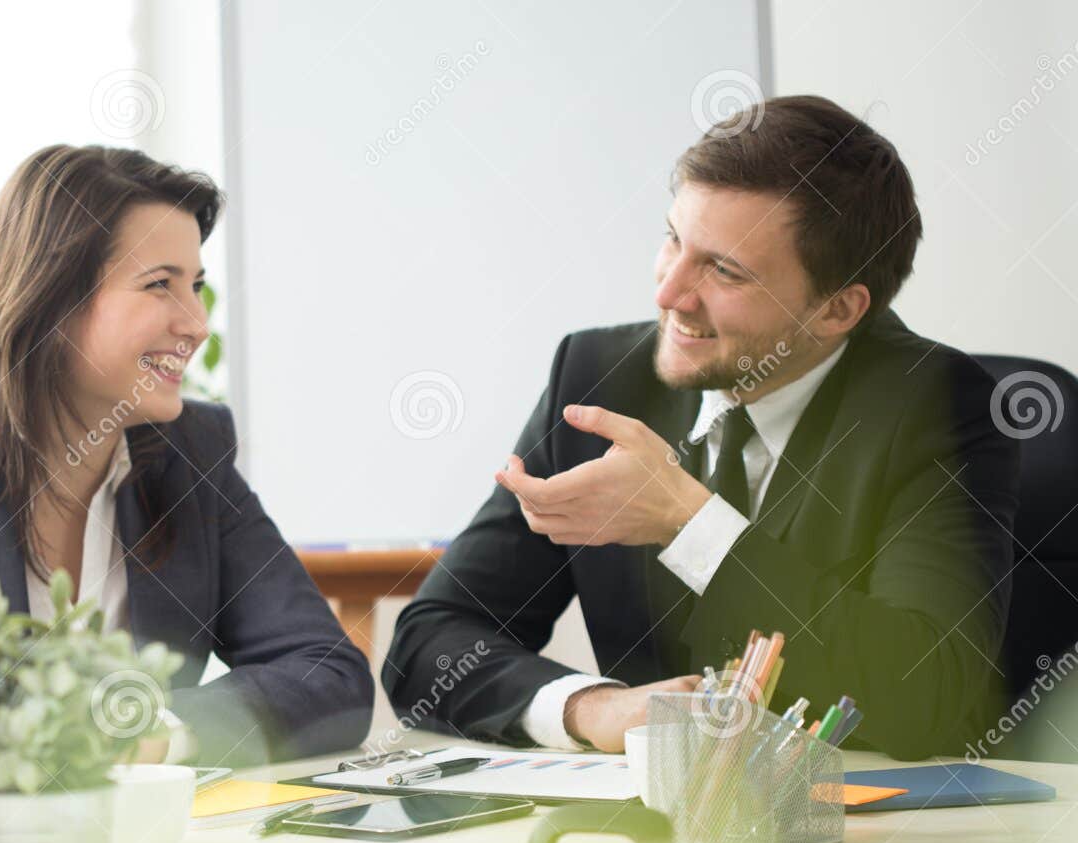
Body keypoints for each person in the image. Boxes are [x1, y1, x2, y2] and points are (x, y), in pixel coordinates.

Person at [385, 96, 1018, 761]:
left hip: (856, 840)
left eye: (723, 270)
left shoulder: (938, 407)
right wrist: (589, 707)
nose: (668, 293)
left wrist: (693, 523)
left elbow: (932, 697)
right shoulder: (595, 378)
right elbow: (428, 644)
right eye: (673, 241)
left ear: (837, 309)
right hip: (646, 841)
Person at [0, 145, 373, 767]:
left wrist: (148, 733)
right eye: (160, 285)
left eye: (195, 286)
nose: (197, 324)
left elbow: (330, 676)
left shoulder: (189, 457)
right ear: (51, 301)